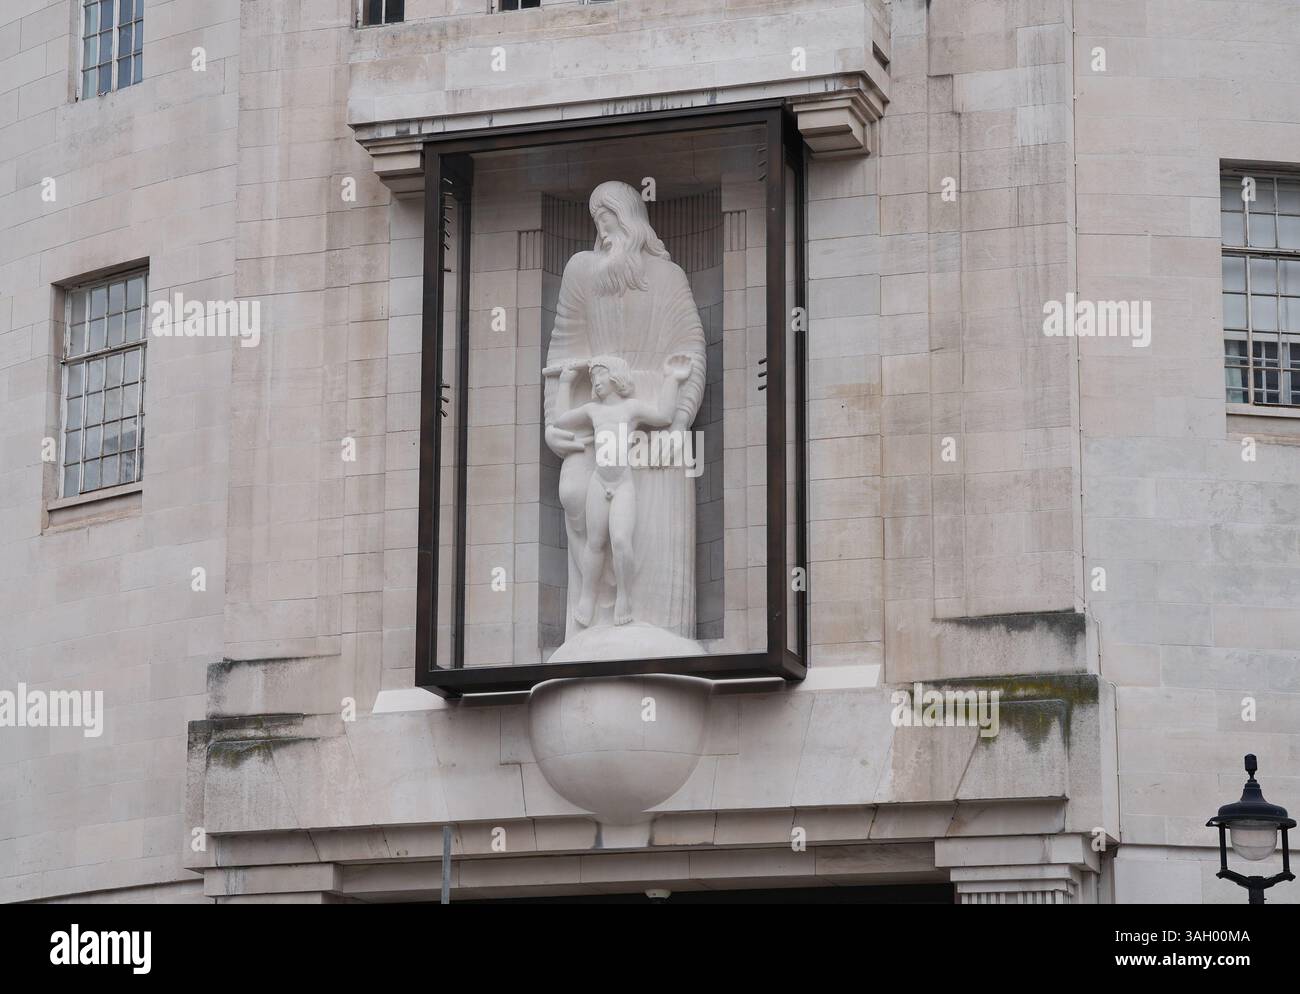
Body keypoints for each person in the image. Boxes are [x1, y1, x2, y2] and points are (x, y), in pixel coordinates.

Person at [546, 353, 693, 626]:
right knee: (595, 543)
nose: (596, 382)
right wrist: (566, 382)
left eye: (599, 374)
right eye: (592, 378)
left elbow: (663, 415)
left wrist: (672, 379)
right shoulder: (593, 410)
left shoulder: (630, 408)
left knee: (621, 542)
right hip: (598, 483)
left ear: (615, 376)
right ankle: (587, 596)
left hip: (622, 483)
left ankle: (625, 596)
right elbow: (562, 420)